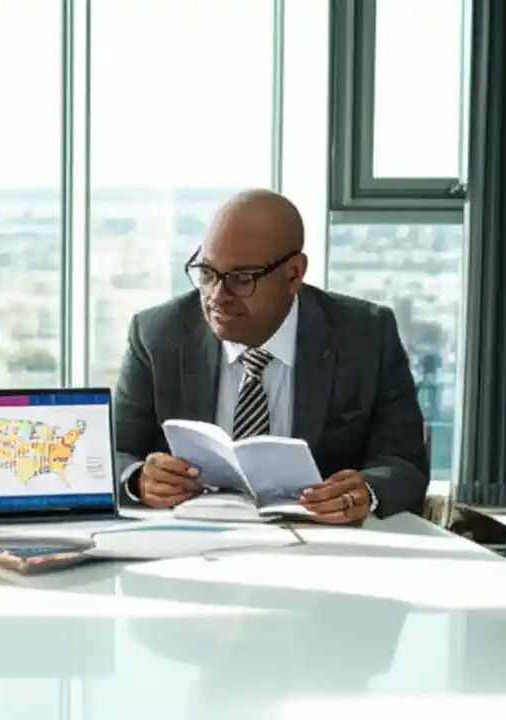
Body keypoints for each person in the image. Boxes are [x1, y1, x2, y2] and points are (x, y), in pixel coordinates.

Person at [113, 189, 428, 522]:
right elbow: (113, 454)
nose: (217, 296)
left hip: (322, 545)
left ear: (293, 274)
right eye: (207, 273)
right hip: (193, 542)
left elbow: (404, 463)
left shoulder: (365, 335)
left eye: (241, 278)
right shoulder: (158, 334)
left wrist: (366, 490)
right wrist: (138, 479)